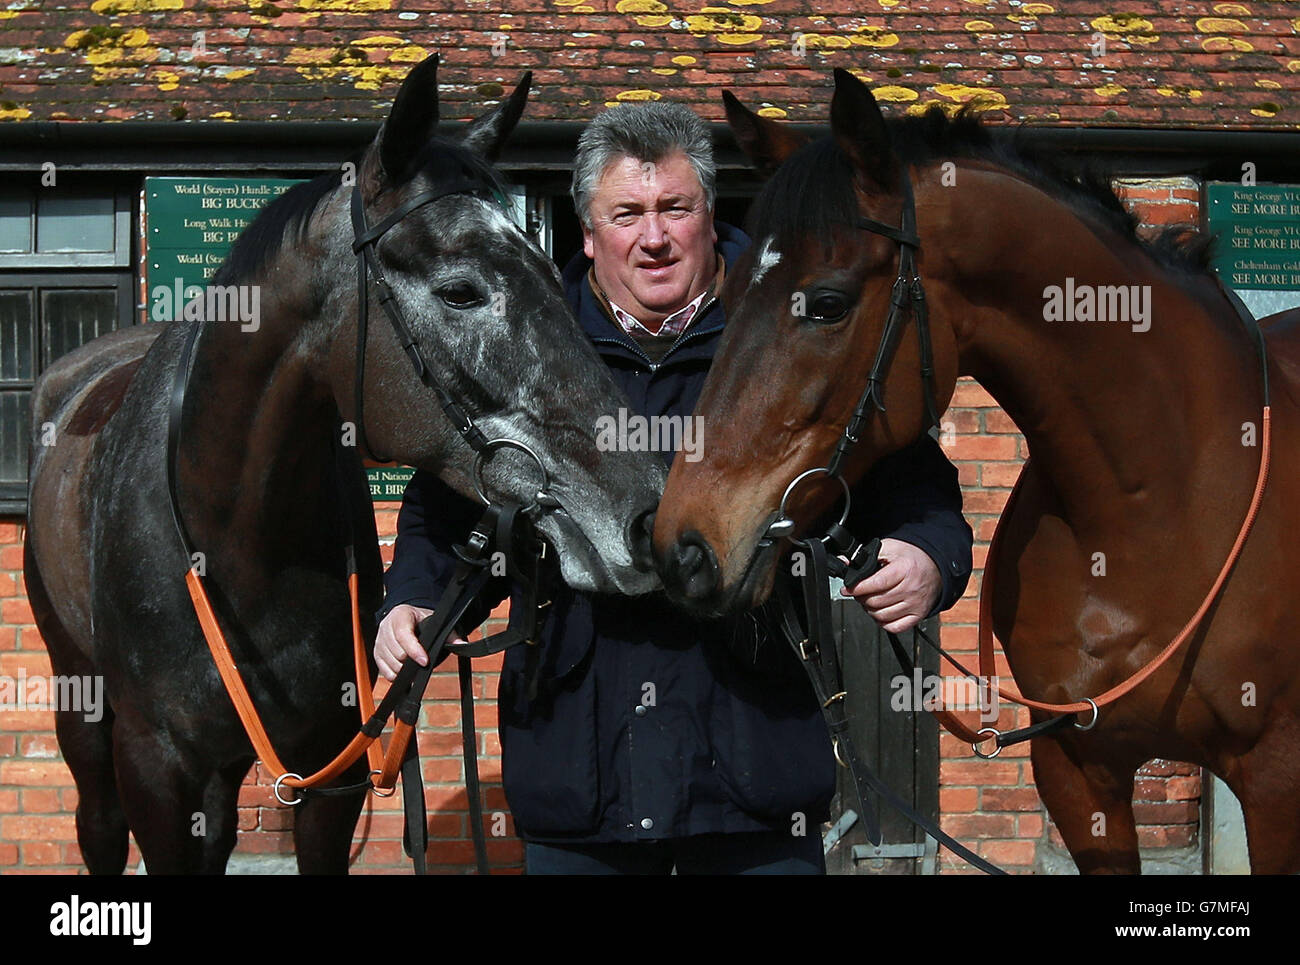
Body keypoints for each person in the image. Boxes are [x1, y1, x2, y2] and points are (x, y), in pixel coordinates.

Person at [374, 102, 972, 874]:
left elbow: (916, 481)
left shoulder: (793, 334)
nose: (653, 237)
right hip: (577, 789)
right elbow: (443, 508)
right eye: (626, 213)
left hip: (756, 784)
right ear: (588, 234)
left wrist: (929, 554)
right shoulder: (519, 352)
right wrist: (412, 598)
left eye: (674, 208)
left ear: (708, 214)